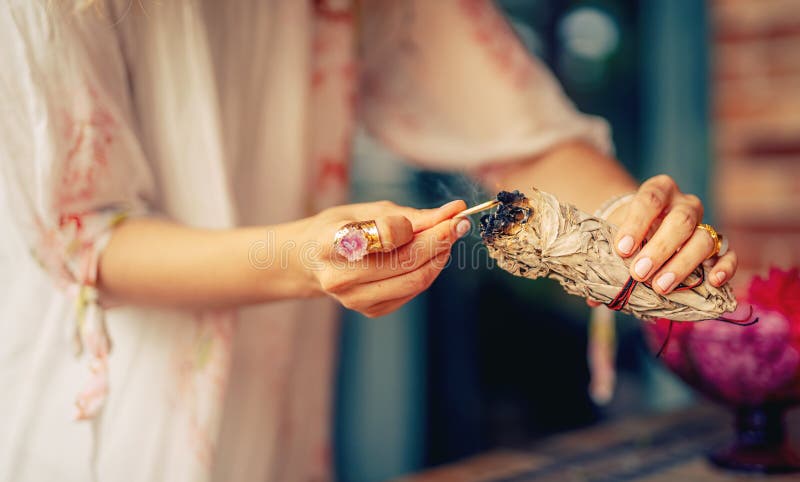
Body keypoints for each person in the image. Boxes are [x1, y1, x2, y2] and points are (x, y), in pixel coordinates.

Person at [0, 1, 737, 481]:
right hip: (104, 436)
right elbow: (85, 238)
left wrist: (627, 222)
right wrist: (297, 258)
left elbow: (527, 142)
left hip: (280, 433)